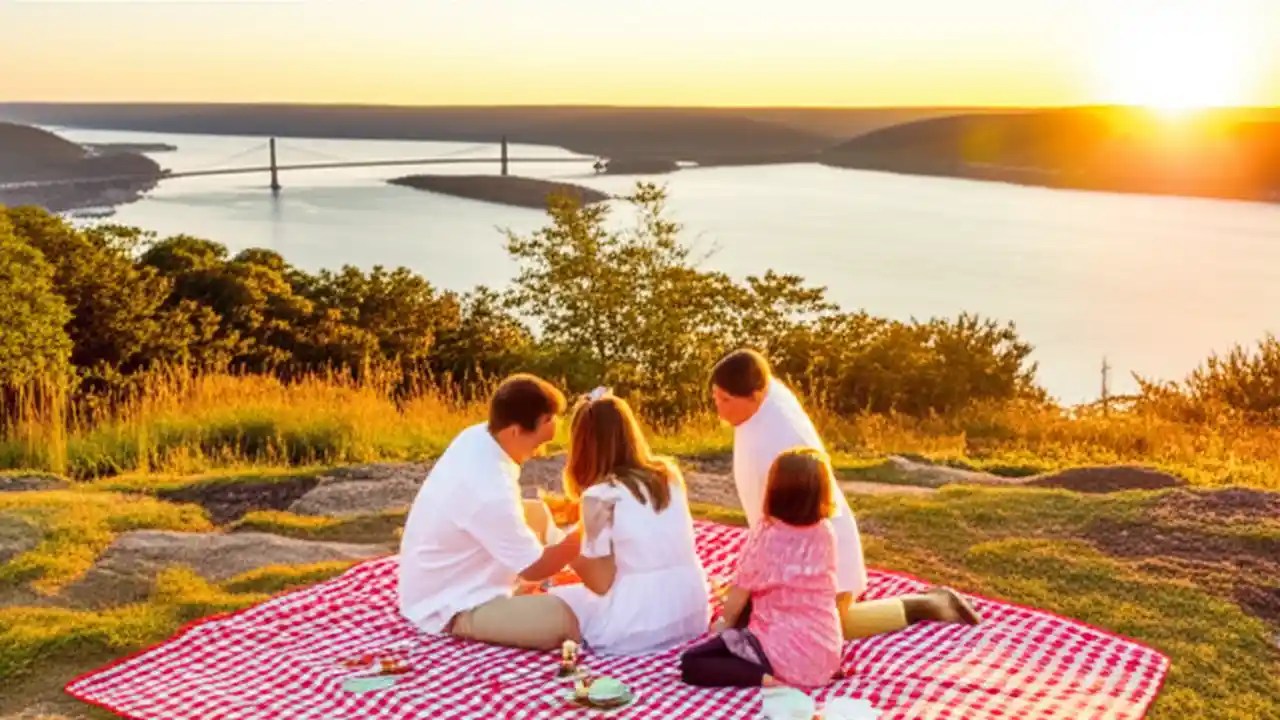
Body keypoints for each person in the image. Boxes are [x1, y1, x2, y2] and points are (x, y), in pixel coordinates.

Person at [710, 349, 981, 640]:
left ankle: (930, 604)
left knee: (805, 633)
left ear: (758, 394)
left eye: (726, 400)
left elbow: (781, 534)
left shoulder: (778, 446)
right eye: (715, 397)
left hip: (821, 556)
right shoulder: (765, 400)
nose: (719, 409)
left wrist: (751, 592)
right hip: (794, 552)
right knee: (750, 623)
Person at [397, 373, 584, 651]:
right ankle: (474, 620)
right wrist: (585, 532)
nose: (540, 453)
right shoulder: (487, 488)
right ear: (514, 432)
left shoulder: (479, 435)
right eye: (538, 443)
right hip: (451, 601)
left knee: (535, 512)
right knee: (561, 621)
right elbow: (535, 568)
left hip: (439, 572)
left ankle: (518, 594)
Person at [548, 389, 711, 655]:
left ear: (582, 446)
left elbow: (600, 582)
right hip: (691, 613)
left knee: (557, 601)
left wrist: (559, 541)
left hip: (633, 627)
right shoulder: (667, 475)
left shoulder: (599, 496)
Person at [680, 448, 842, 688]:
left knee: (692, 663)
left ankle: (764, 679)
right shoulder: (825, 532)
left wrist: (720, 626)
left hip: (779, 654)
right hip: (826, 652)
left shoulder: (767, 534)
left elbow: (737, 600)